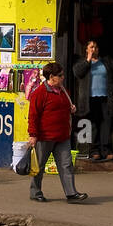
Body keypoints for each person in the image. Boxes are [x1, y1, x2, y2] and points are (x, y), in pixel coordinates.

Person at [27, 62, 88, 204]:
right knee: (39, 166)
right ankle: (35, 192)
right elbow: (33, 116)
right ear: (51, 77)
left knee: (66, 164)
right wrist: (33, 135)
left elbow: (64, 108)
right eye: (60, 76)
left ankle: (71, 193)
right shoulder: (39, 93)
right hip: (45, 136)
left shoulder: (63, 91)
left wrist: (71, 109)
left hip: (62, 136)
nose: (63, 78)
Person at [71, 40, 113, 161]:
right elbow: (77, 73)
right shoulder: (81, 62)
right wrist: (88, 60)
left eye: (95, 47)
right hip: (89, 100)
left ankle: (107, 150)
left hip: (106, 98)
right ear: (86, 49)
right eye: (91, 47)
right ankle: (94, 151)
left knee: (107, 123)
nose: (93, 49)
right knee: (93, 125)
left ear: (98, 49)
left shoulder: (106, 61)